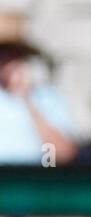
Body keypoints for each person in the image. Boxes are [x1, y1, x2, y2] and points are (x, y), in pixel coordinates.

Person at [0, 12, 78, 165]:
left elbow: (60, 155)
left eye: (10, 55)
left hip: (34, 182)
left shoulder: (46, 98)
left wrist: (27, 101)